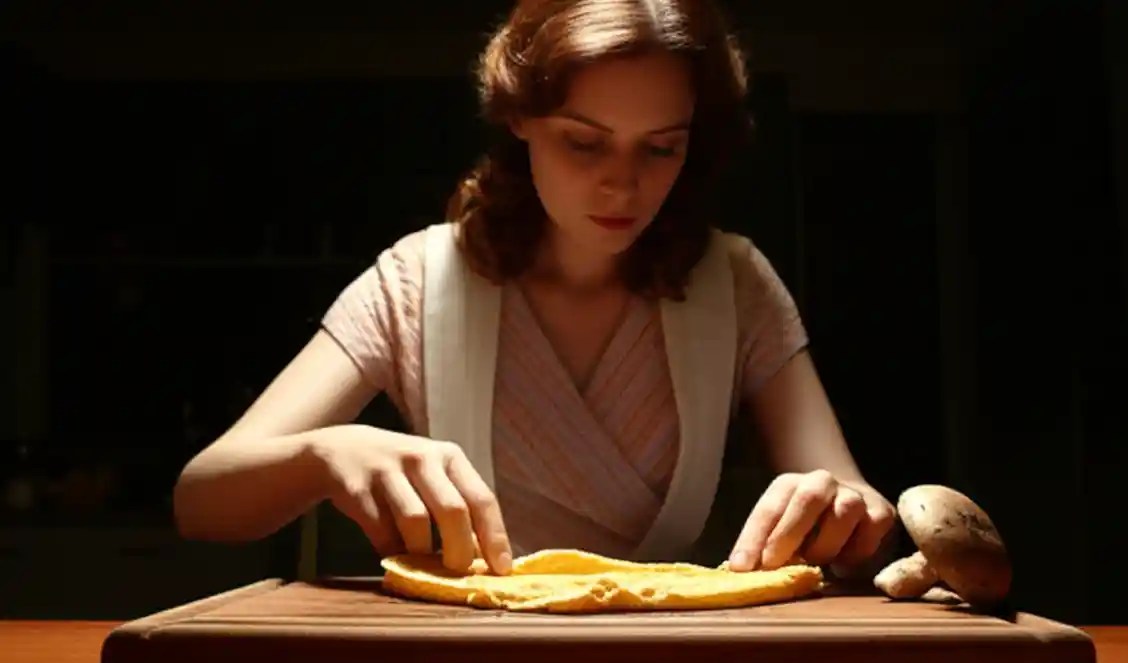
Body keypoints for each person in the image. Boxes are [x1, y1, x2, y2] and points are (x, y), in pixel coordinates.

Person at [173, 0, 896, 578]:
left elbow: (858, 510)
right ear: (518, 115)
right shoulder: (416, 283)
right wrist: (324, 453)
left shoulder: (733, 284)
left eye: (661, 147)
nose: (622, 182)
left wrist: (842, 510)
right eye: (584, 141)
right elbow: (203, 502)